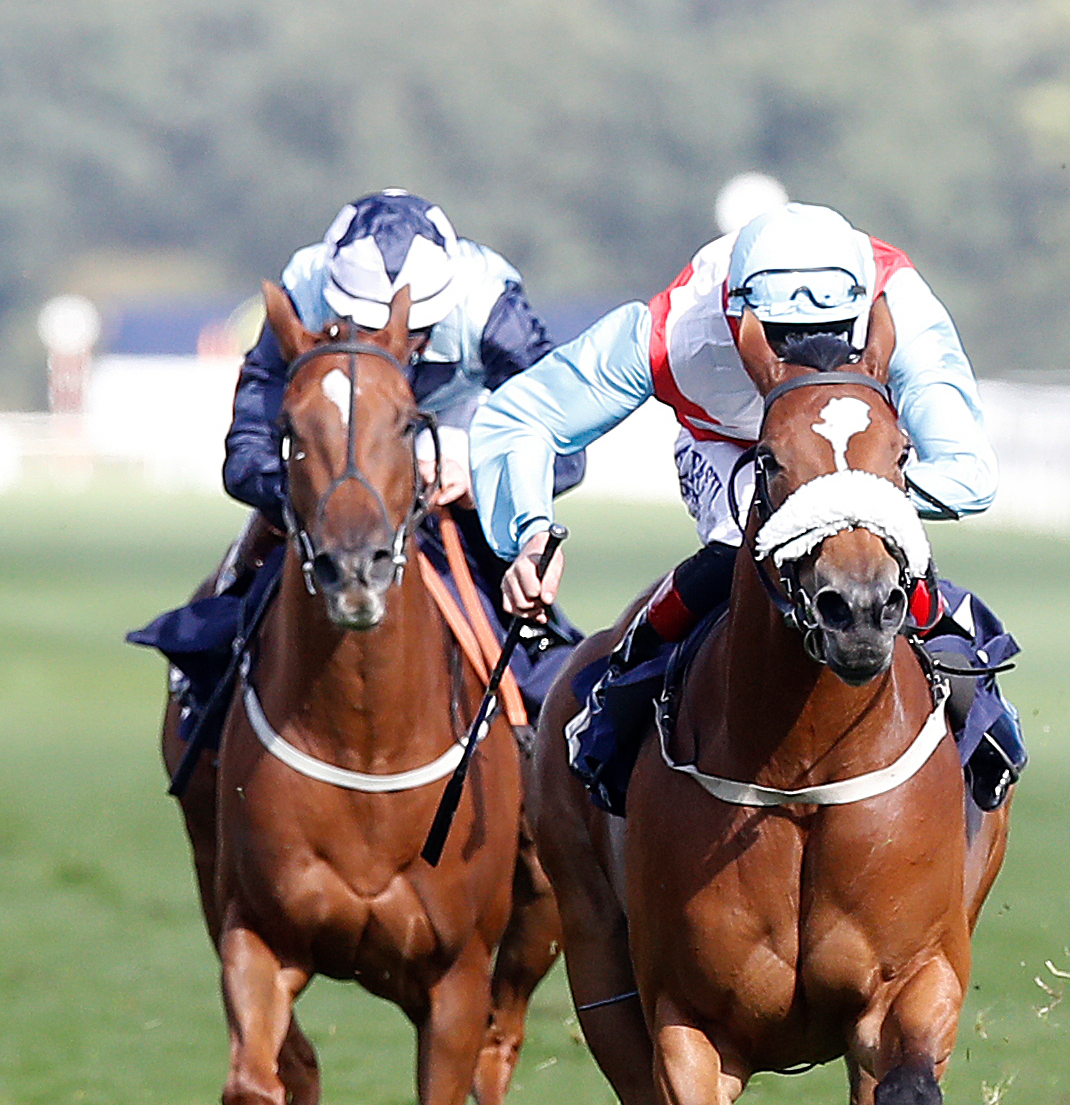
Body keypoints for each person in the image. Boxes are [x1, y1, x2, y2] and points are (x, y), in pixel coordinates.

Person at [468, 201, 1022, 812]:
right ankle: (618, 700)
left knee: (869, 552)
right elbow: (522, 416)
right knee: (744, 540)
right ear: (739, 314)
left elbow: (969, 475)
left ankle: (980, 707)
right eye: (783, 337)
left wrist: (851, 493)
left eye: (839, 330)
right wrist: (528, 531)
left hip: (854, 447)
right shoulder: (672, 329)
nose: (811, 349)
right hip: (728, 446)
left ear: (865, 307)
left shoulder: (903, 306)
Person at [132, 190, 584, 728]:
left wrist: (477, 478)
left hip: (457, 442)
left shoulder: (491, 307)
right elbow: (247, 445)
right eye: (364, 324)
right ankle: (207, 696)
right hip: (337, 459)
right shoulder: (303, 289)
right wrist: (309, 494)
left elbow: (564, 446)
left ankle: (551, 726)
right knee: (244, 593)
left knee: (524, 624)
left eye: (416, 332)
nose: (395, 343)